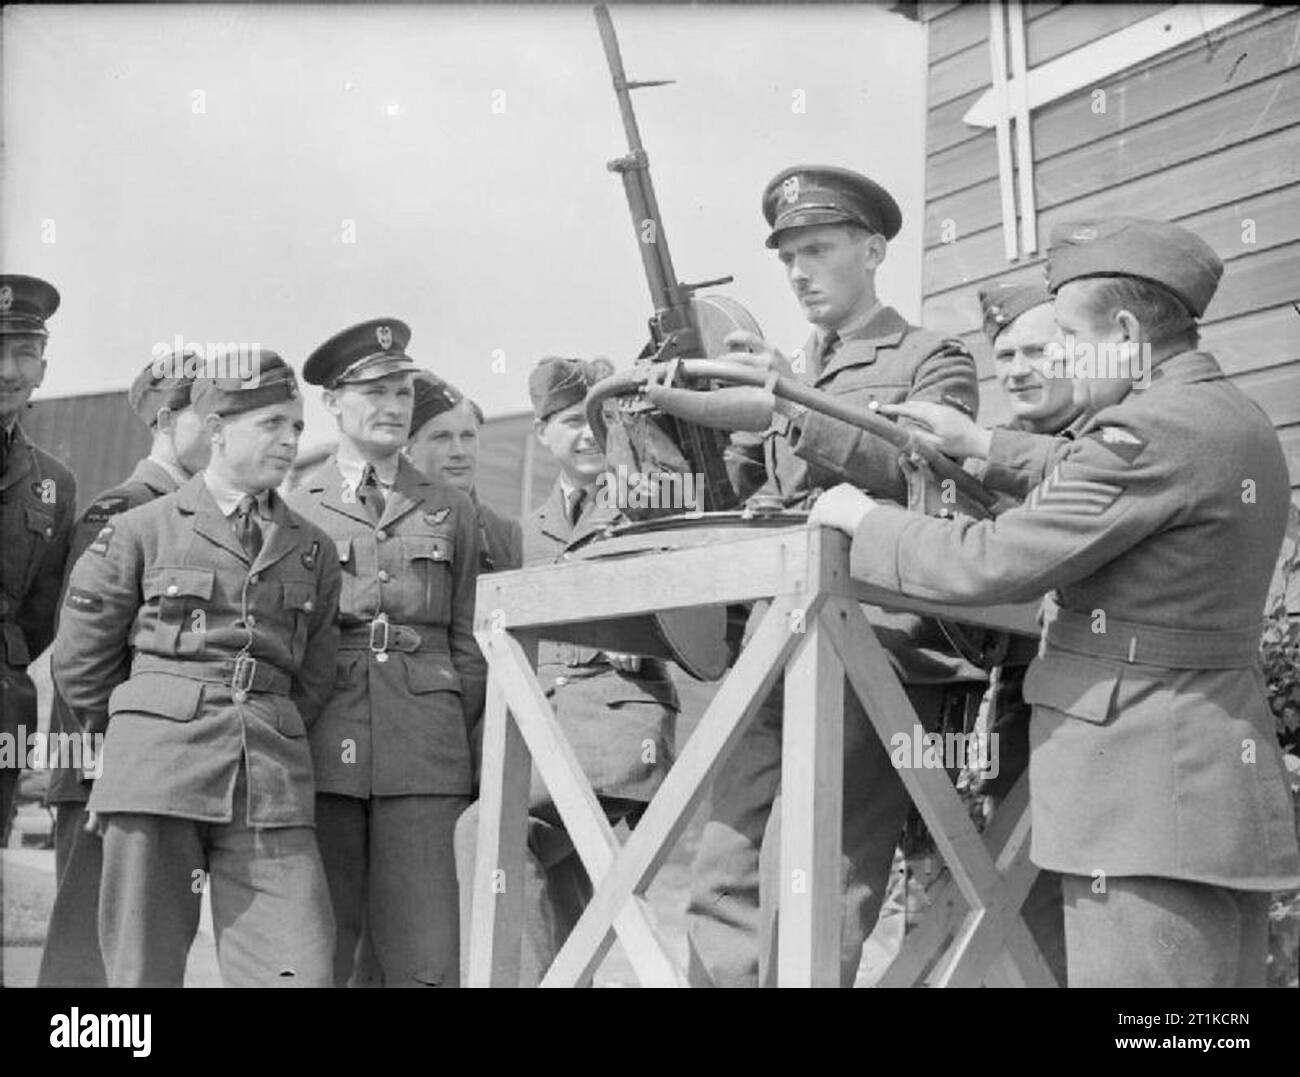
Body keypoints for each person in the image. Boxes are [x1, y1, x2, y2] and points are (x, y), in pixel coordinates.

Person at [809, 217, 1300, 987]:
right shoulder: (1222, 417)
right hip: (1199, 790)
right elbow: (1090, 465)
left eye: (1069, 335)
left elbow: (992, 561)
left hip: (1140, 801)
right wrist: (981, 443)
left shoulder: (1150, 430)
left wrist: (865, 521)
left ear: (1128, 331)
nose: (1060, 356)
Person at [681, 167, 989, 988]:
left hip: (877, 649)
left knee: (817, 875)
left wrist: (785, 398)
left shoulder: (933, 358)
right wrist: (713, 411)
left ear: (875, 249)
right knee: (723, 866)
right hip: (772, 641)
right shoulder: (794, 364)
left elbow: (921, 474)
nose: (799, 271)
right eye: (788, 258)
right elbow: (752, 497)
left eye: (817, 249)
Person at [51, 353, 341, 987]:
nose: (290, 440)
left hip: (269, 780)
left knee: (300, 967)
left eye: (296, 425)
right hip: (155, 774)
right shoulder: (138, 530)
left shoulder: (314, 548)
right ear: (215, 432)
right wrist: (145, 726)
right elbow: (81, 665)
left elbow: (315, 673)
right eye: (270, 424)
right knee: (140, 975)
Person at [454, 356, 678, 986]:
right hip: (545, 734)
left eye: (597, 419)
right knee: (558, 891)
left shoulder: (649, 502)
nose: (585, 434)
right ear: (541, 434)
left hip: (617, 729)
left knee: (487, 830)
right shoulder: (529, 531)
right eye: (567, 421)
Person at [289, 319, 486, 988]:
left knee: (428, 952)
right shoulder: (296, 504)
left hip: (426, 749)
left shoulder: (449, 507)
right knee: (325, 947)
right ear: (333, 403)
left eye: (402, 390)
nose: (393, 405)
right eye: (374, 391)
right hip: (326, 742)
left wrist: (459, 741)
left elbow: (468, 640)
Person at [38, 353, 212, 987]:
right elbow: (77, 654)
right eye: (209, 414)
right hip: (101, 769)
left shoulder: (197, 512)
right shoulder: (125, 508)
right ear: (165, 420)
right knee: (86, 958)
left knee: (140, 954)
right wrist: (113, 752)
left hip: (150, 766)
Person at [0, 275, 75, 854]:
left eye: (24, 353)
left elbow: (39, 612)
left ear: (43, 370)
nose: (8, 370)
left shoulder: (53, 482)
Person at [407, 370, 522, 572]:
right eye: (442, 437)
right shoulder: (388, 524)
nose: (459, 452)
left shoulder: (505, 535)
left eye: (467, 436)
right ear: (408, 450)